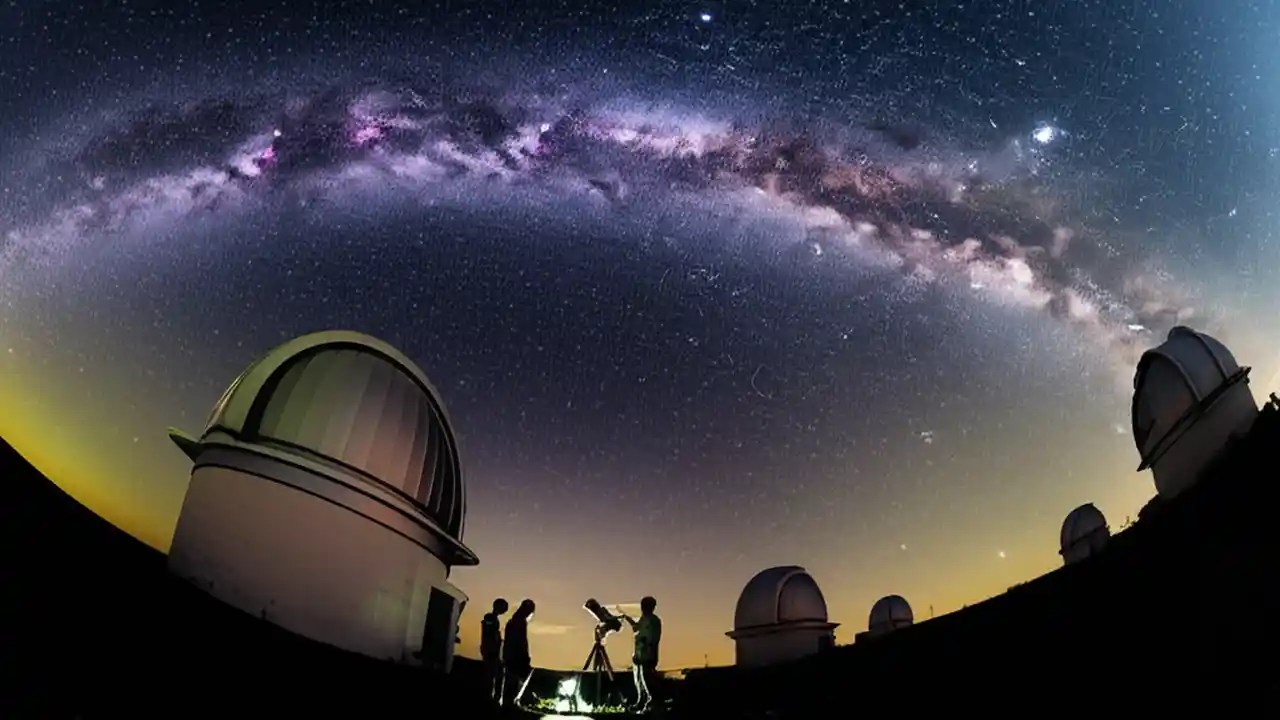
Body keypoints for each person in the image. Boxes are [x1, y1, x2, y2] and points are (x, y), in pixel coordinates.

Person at [620, 596, 662, 713]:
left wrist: (647, 647)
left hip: (648, 655)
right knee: (638, 679)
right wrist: (628, 619)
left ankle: (652, 702)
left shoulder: (654, 621)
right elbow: (637, 629)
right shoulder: (642, 619)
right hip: (638, 654)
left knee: (647, 679)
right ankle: (641, 701)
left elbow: (653, 638)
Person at [501, 599, 536, 710]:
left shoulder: (514, 621)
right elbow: (520, 641)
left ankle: (508, 703)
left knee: (511, 680)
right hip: (515, 657)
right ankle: (509, 704)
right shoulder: (519, 622)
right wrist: (524, 656)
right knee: (513, 681)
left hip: (511, 656)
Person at [480, 598, 509, 704]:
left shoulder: (493, 619)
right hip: (490, 650)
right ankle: (488, 697)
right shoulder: (490, 618)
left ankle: (490, 696)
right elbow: (488, 633)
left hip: (491, 650)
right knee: (491, 674)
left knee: (492, 674)